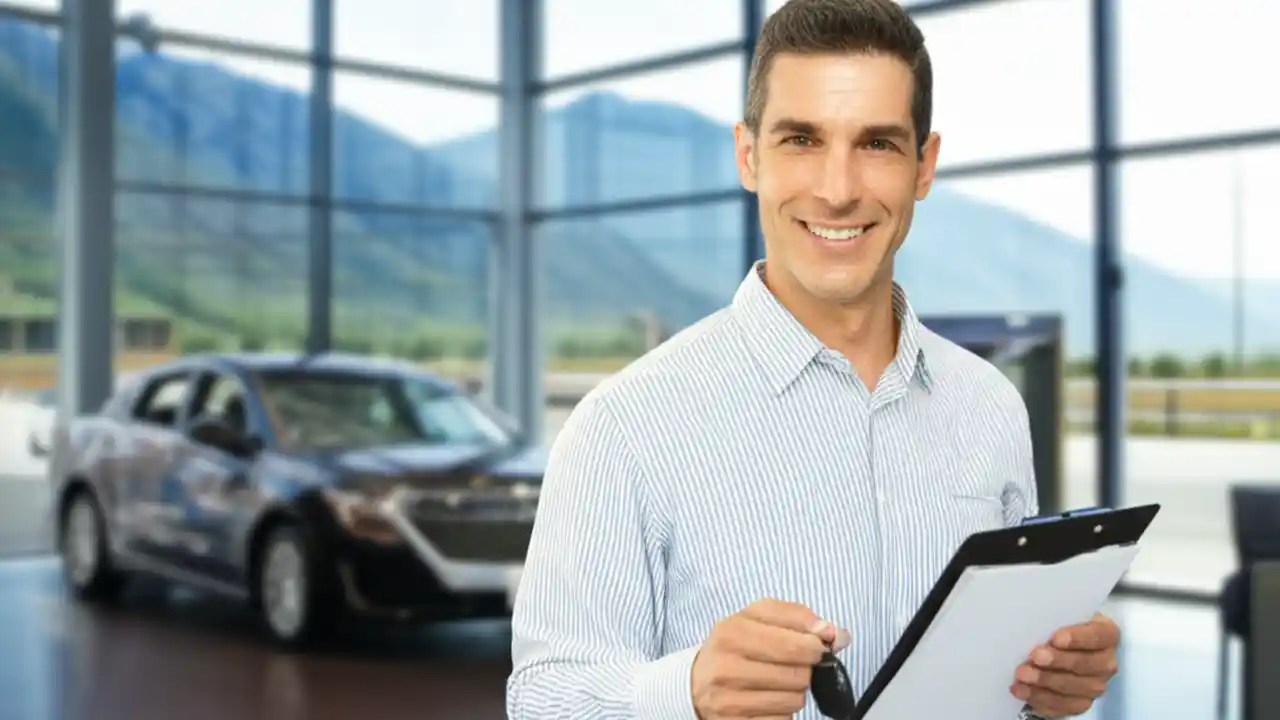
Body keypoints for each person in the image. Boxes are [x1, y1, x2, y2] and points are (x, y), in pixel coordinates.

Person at [506, 0, 1121, 717]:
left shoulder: (989, 405)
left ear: (924, 166)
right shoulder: (624, 427)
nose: (837, 190)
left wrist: (1051, 680)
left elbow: (1001, 682)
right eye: (802, 139)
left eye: (878, 144)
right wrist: (687, 692)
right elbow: (545, 701)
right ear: (748, 156)